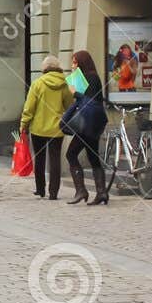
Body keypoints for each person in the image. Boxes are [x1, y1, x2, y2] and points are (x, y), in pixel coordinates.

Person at [19, 55, 75, 201]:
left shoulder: (38, 84)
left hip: (38, 128)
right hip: (57, 128)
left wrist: (24, 124)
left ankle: (40, 189)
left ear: (44, 68)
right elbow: (69, 106)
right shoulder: (65, 84)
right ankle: (54, 192)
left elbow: (29, 107)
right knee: (55, 159)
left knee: (40, 158)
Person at [64, 50, 109, 206]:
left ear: (82, 63)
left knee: (71, 154)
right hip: (92, 123)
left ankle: (81, 190)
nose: (73, 65)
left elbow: (88, 101)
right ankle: (102, 192)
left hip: (88, 123)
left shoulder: (91, 77)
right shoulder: (88, 77)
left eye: (75, 62)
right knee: (93, 156)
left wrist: (75, 92)